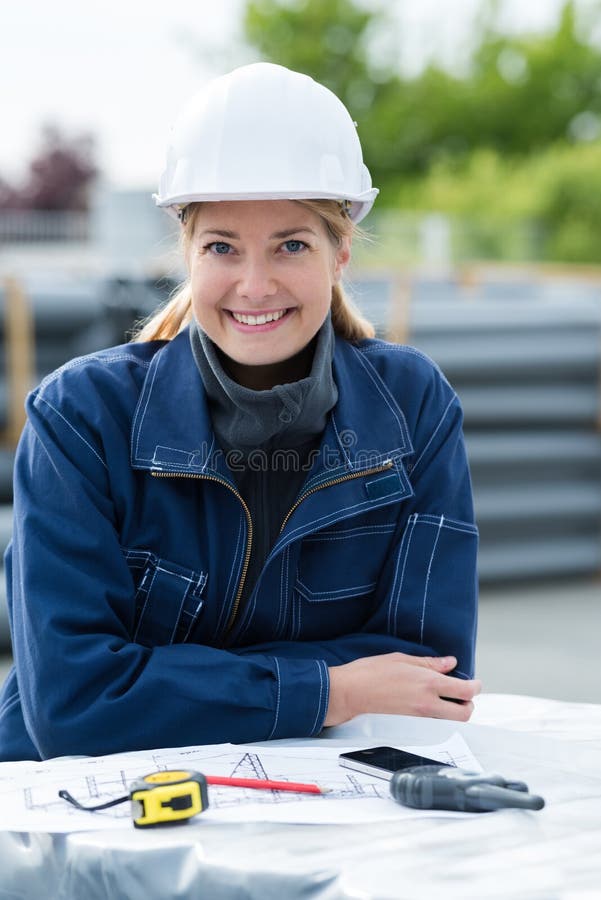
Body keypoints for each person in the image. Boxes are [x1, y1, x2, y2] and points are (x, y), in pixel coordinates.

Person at [0, 63, 480, 762]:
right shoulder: (80, 417)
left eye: (291, 244)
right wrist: (330, 689)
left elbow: (430, 674)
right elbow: (74, 702)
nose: (254, 286)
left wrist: (163, 682)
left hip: (312, 800)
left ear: (340, 252)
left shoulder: (411, 407)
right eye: (222, 247)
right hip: (77, 813)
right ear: (186, 255)